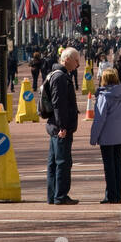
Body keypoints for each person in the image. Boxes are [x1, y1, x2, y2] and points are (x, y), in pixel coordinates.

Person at [45, 48, 81, 205]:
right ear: (67, 59)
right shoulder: (60, 77)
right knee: (63, 162)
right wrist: (63, 126)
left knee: (54, 162)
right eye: (76, 60)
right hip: (60, 127)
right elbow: (59, 104)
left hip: (54, 125)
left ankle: (53, 194)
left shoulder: (56, 75)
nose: (78, 64)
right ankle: (60, 195)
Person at [89, 66, 121, 203]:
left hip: (107, 134)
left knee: (109, 166)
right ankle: (117, 193)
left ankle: (111, 194)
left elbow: (100, 118)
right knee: (118, 164)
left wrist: (93, 137)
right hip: (120, 133)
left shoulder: (104, 96)